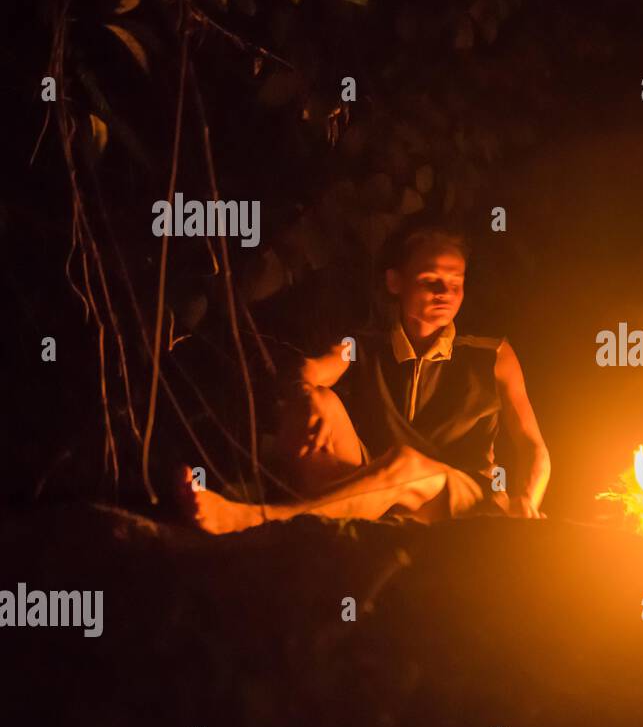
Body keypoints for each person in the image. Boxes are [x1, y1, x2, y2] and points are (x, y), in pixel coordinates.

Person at [184, 227, 550, 534]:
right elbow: (309, 371)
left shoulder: (492, 356)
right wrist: (306, 394)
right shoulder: (362, 345)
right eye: (431, 280)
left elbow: (534, 447)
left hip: (463, 497)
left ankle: (261, 519)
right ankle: (321, 523)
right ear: (395, 282)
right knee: (320, 401)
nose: (445, 293)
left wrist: (526, 500)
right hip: (378, 485)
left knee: (406, 463)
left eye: (456, 283)